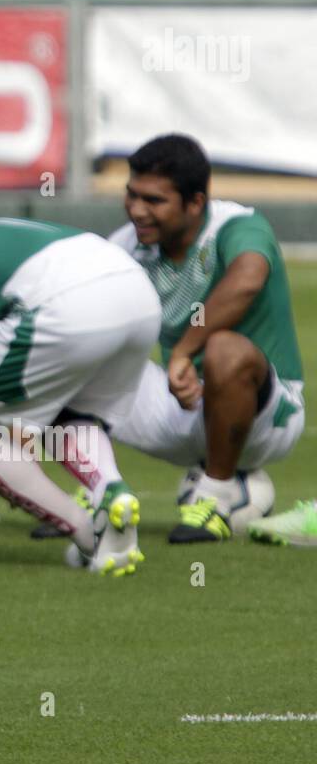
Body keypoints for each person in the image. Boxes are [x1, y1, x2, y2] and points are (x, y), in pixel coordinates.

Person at [0, 218, 160, 575]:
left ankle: (90, 535)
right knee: (70, 413)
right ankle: (112, 490)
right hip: (135, 293)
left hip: (67, 302)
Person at [108, 133, 305, 542]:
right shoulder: (125, 246)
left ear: (196, 203)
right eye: (132, 195)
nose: (137, 211)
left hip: (265, 419)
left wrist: (183, 351)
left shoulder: (236, 226)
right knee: (77, 351)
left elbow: (248, 279)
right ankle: (97, 492)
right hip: (182, 405)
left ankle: (213, 499)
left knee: (224, 349)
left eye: (154, 201)